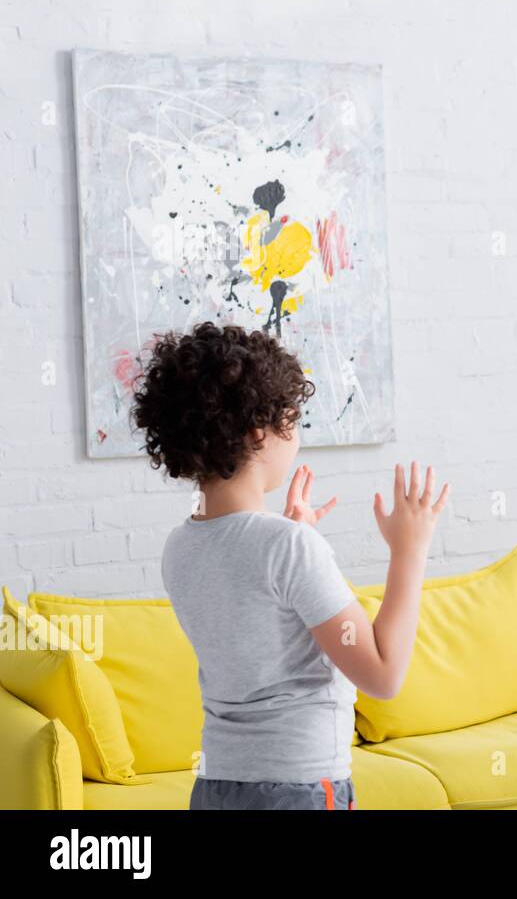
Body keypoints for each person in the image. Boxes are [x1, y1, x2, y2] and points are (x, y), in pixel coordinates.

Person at [131, 321, 449, 809]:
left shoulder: (180, 547)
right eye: (294, 422)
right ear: (261, 431)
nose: (297, 437)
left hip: (217, 787)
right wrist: (410, 550)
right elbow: (383, 675)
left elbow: (257, 607)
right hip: (297, 788)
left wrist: (291, 536)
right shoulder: (287, 547)